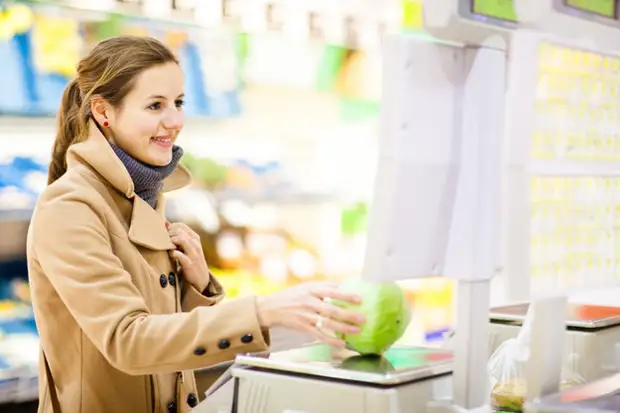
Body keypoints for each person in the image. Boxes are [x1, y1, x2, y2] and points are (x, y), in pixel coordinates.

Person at [26, 35, 365, 413]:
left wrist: (198, 287)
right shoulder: (70, 206)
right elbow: (128, 341)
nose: (174, 121)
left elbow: (166, 342)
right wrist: (263, 310)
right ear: (104, 112)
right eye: (155, 105)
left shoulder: (142, 193)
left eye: (178, 103)